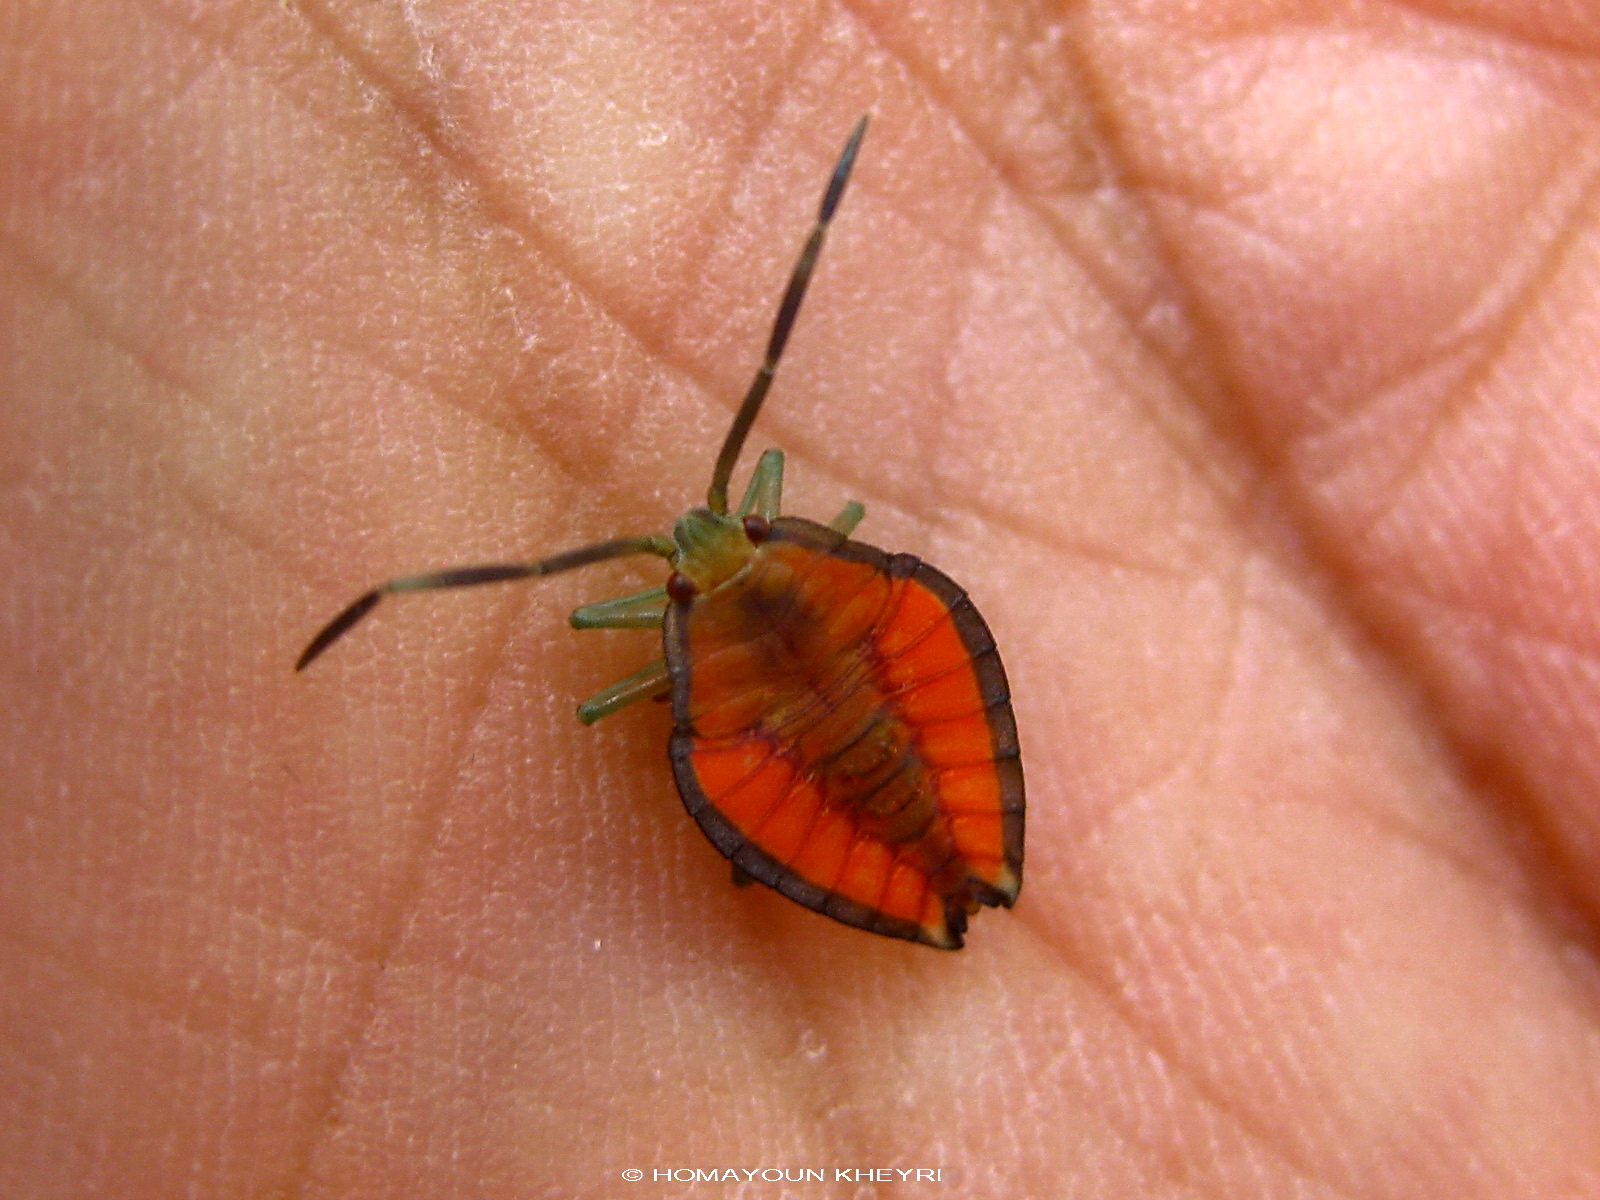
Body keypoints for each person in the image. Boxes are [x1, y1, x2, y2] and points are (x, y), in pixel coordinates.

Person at [3, 3, 1598, 1195]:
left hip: (847, 783)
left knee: (649, 702)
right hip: (863, 759)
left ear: (768, 537)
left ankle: (943, 881)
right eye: (701, 563)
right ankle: (943, 883)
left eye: (727, 540)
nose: (703, 548)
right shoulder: (784, 594)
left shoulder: (719, 647)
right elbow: (704, 673)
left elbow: (668, 701)